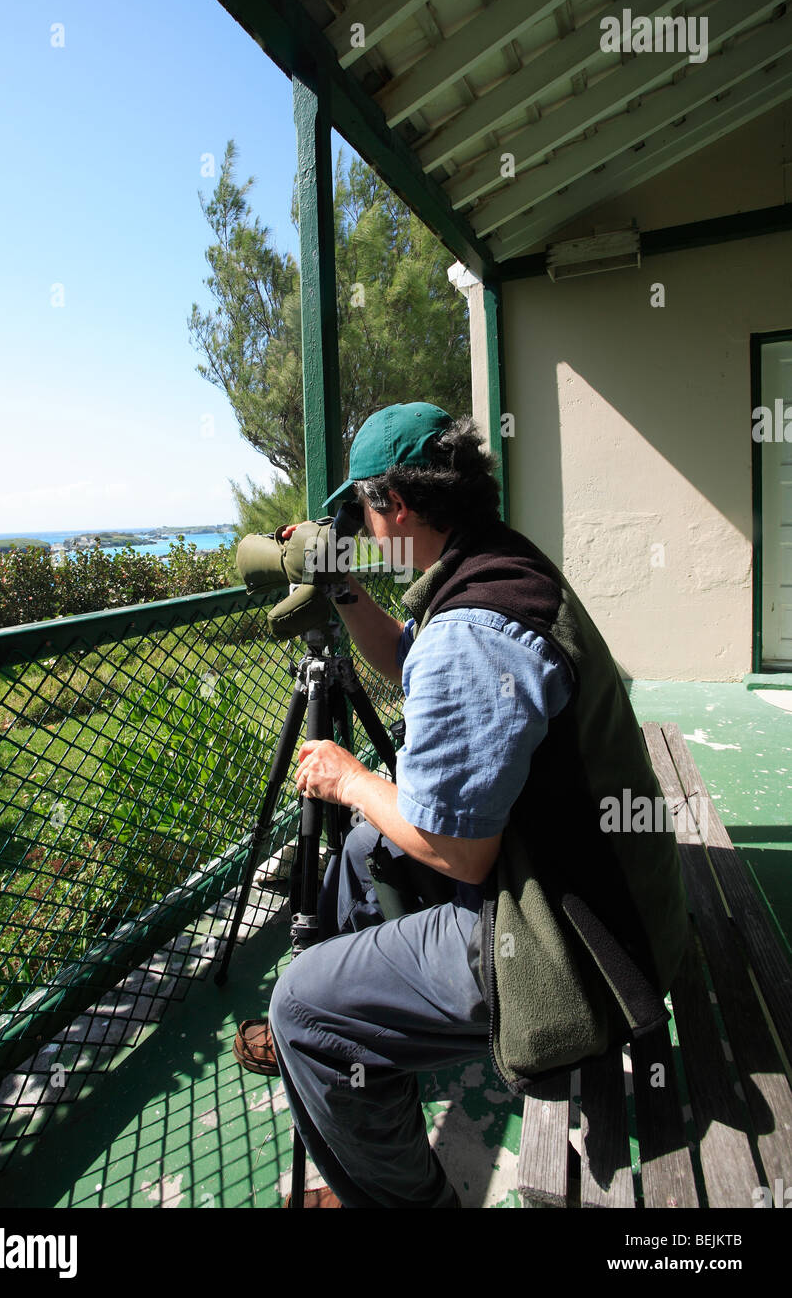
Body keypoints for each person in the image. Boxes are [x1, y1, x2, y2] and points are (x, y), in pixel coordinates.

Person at [232, 401, 690, 1209]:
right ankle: (364, 1057)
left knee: (298, 1005)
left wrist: (345, 778)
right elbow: (412, 661)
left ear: (397, 507)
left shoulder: (472, 629)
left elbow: (459, 852)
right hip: (601, 882)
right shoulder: (496, 564)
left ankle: (396, 1175)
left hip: (580, 945)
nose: (365, 532)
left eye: (364, 514)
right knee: (363, 853)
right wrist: (342, 592)